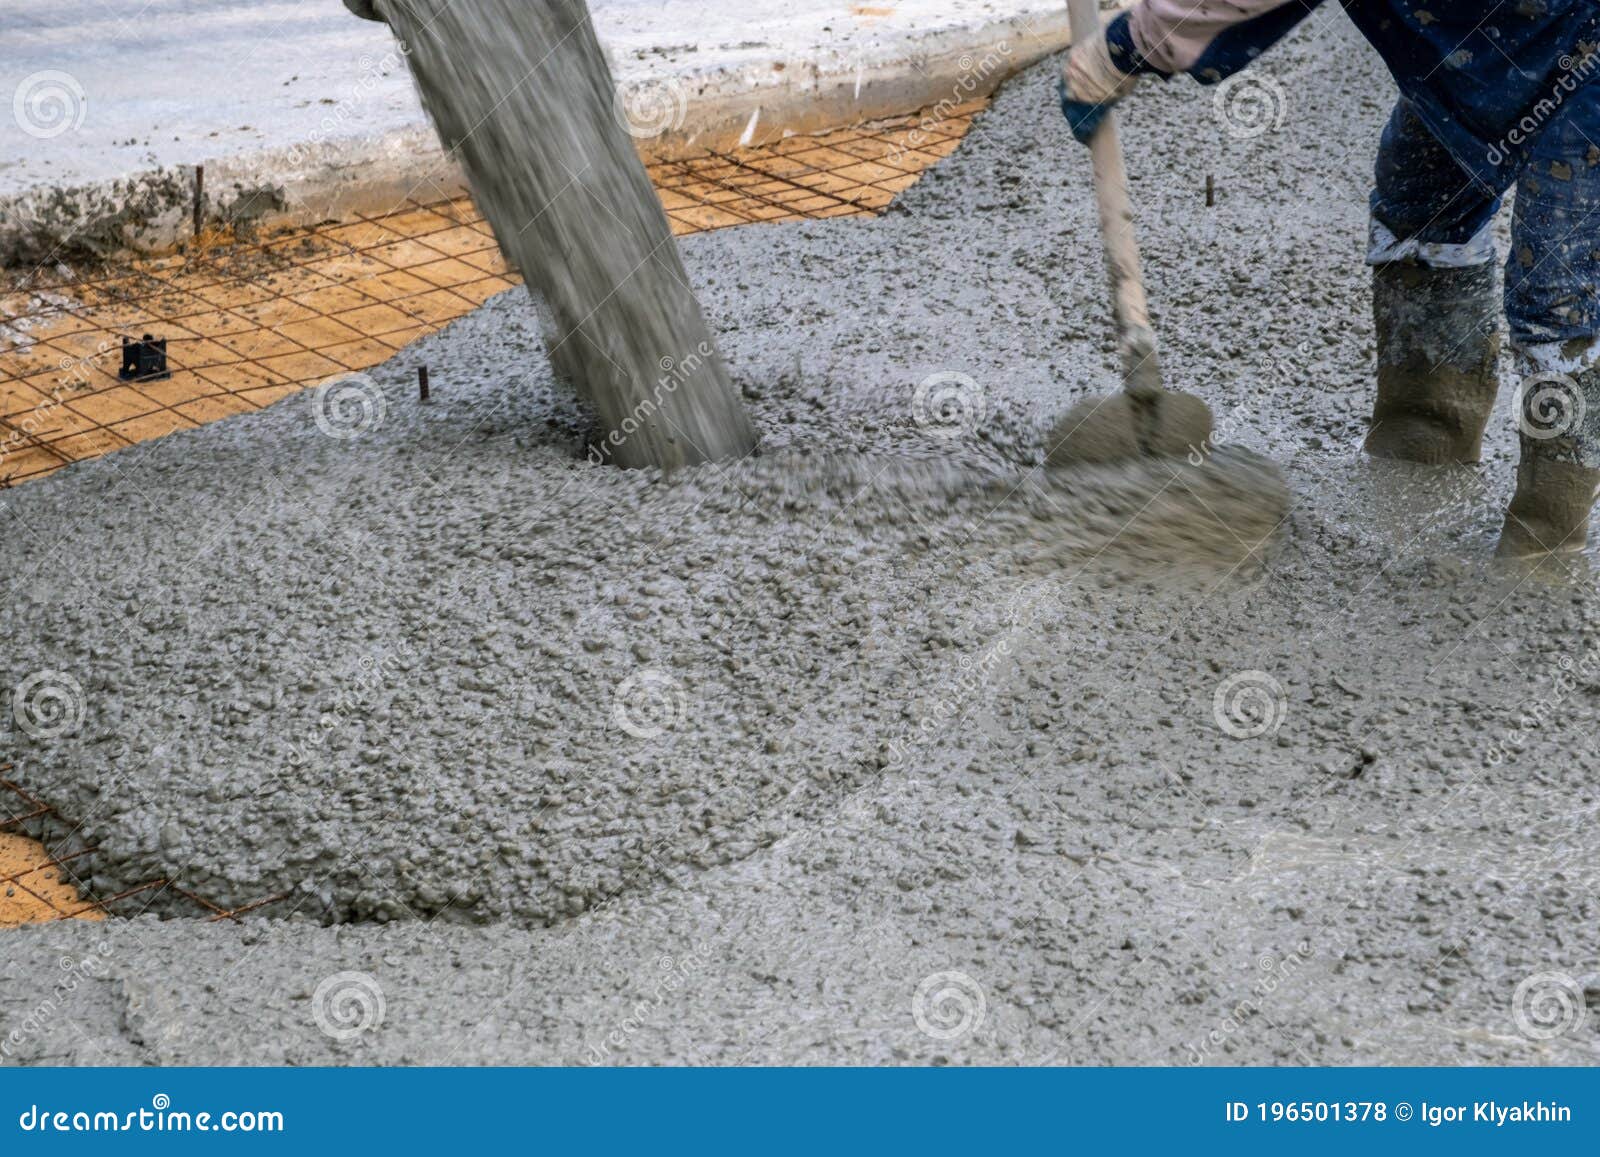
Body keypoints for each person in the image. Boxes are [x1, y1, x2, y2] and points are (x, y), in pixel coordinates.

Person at [1058, 0, 1600, 560]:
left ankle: (1546, 538)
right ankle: (1424, 440)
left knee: (1559, 287)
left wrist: (1126, 45)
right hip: (1473, 44)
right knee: (1421, 207)